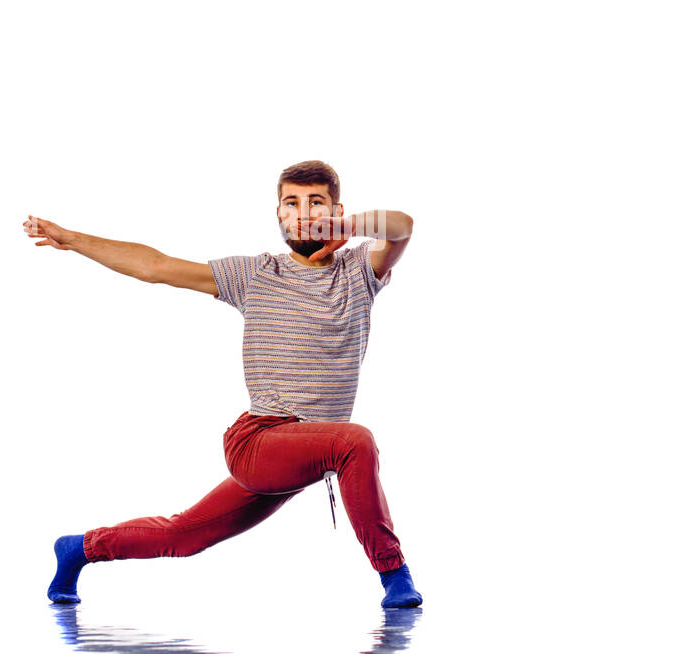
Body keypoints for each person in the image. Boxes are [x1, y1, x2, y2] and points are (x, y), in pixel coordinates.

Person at [24, 160, 423, 609]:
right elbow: (154, 266)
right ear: (278, 214)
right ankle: (394, 575)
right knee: (355, 442)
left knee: (184, 535)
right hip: (261, 442)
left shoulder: (356, 272)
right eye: (292, 203)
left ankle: (77, 549)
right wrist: (75, 240)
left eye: (316, 203)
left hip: (309, 449)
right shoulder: (256, 275)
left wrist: (347, 226)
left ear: (337, 209)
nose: (304, 212)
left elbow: (403, 228)